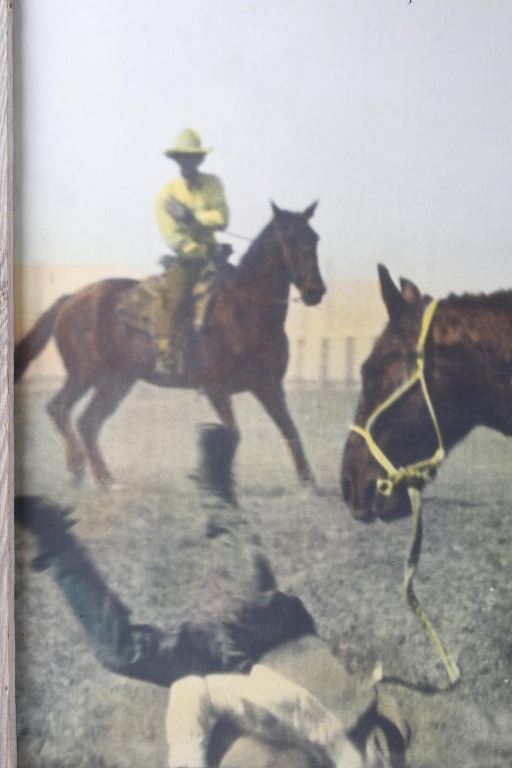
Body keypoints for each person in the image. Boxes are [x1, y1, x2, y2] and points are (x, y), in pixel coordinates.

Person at [15, 426, 409, 768]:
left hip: (251, 665)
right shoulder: (331, 732)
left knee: (122, 652)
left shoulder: (351, 734)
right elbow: (201, 694)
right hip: (271, 640)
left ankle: (56, 540)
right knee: (242, 600)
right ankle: (216, 483)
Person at [118, 129, 230, 373]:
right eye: (184, 158)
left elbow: (222, 218)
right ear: (178, 161)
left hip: (215, 256)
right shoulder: (166, 195)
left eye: (193, 158)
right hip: (186, 259)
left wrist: (193, 217)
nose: (189, 163)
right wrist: (198, 248)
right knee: (175, 298)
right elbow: (172, 235)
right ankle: (166, 354)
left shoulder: (214, 184)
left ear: (200, 160)